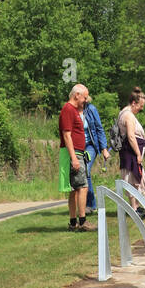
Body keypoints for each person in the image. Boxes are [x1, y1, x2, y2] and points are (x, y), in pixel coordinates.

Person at [58, 83, 91, 231]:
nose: (86, 100)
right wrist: (74, 158)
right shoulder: (68, 110)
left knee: (74, 189)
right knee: (83, 187)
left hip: (77, 152)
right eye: (84, 97)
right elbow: (67, 135)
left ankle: (73, 223)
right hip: (74, 153)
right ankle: (82, 221)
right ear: (76, 95)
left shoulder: (73, 110)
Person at [117, 88, 145, 207]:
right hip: (130, 152)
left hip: (130, 151)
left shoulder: (125, 113)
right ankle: (135, 208)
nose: (141, 108)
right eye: (140, 106)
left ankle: (136, 207)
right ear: (133, 103)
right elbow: (131, 136)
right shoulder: (128, 116)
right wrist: (137, 153)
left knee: (134, 179)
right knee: (132, 179)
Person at [81, 93, 109, 214]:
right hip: (78, 146)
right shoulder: (72, 110)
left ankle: (90, 204)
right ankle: (86, 203)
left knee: (86, 169)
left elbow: (99, 128)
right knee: (81, 172)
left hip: (91, 145)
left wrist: (104, 149)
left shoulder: (91, 109)